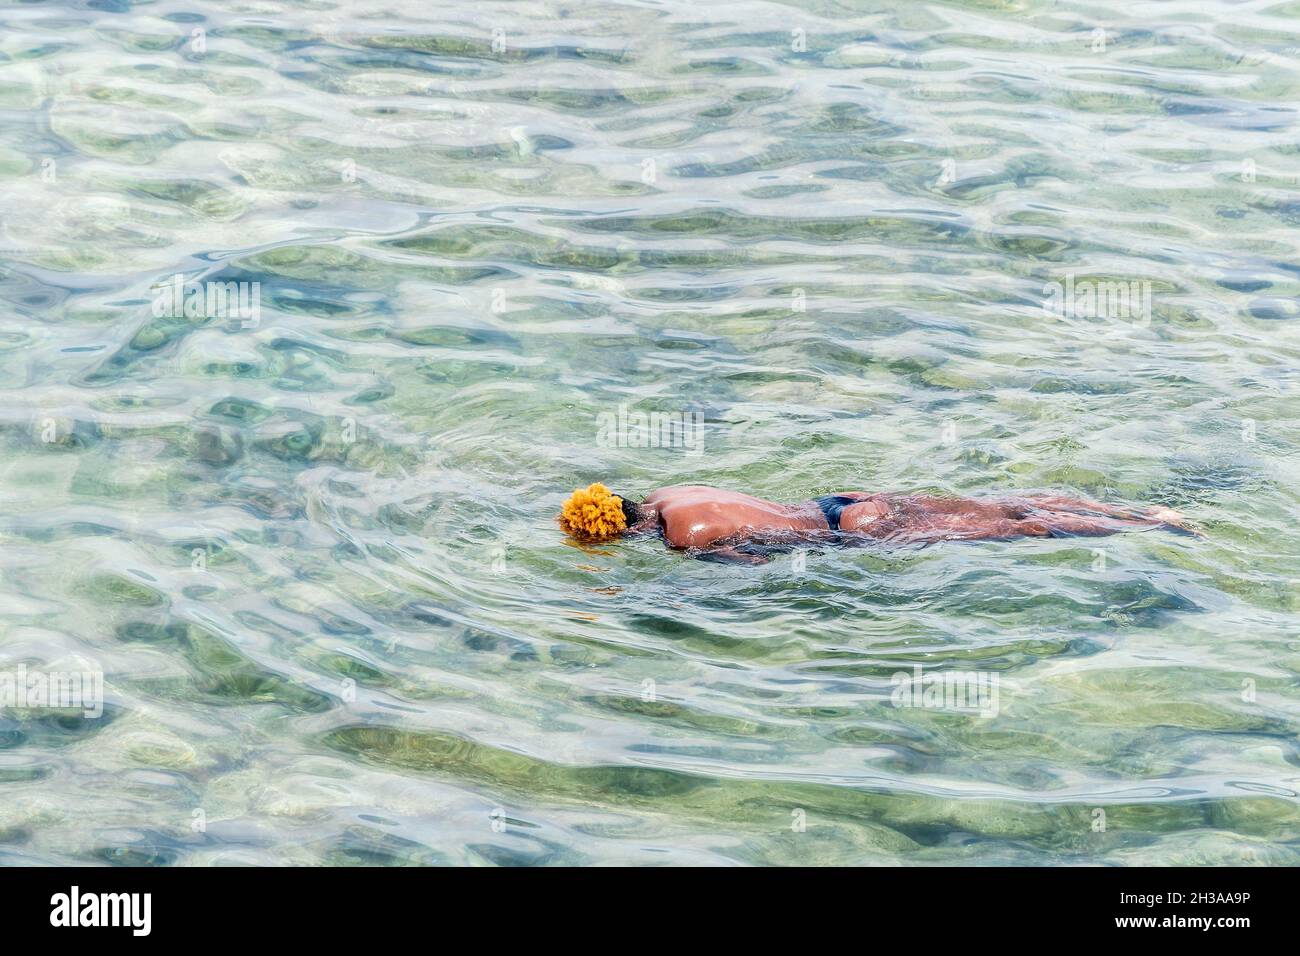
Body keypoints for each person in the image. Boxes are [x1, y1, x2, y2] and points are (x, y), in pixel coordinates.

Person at [557, 483, 1195, 564]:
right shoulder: (674, 493)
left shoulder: (681, 541)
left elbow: (752, 566)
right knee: (1009, 506)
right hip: (846, 502)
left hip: (853, 535)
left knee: (1026, 533)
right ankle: (1139, 511)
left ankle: (1145, 528)